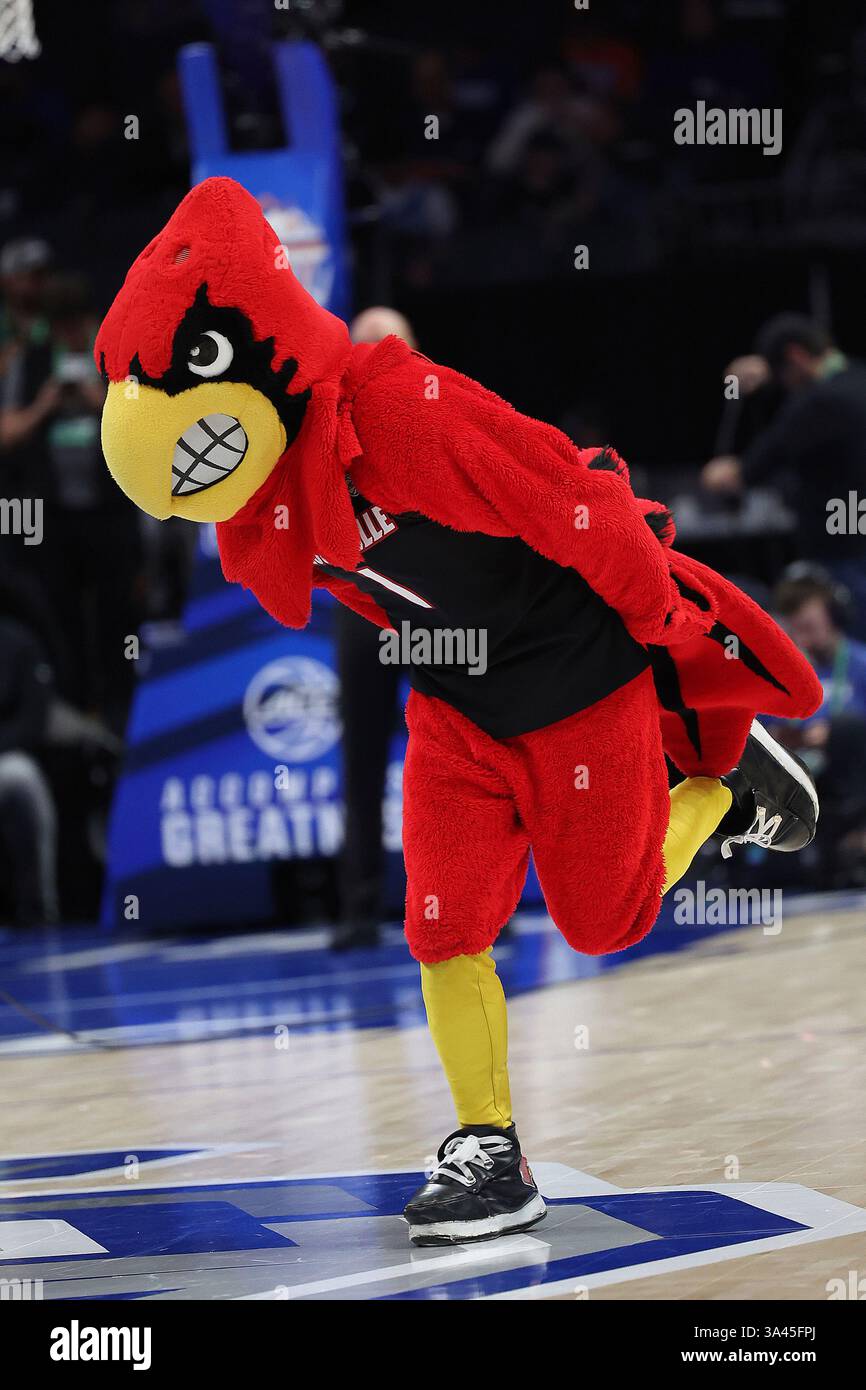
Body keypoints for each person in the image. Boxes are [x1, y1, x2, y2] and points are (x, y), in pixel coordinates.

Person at [94, 177, 822, 1247]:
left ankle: (719, 783)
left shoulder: (400, 411)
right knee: (441, 927)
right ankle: (489, 1148)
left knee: (601, 920)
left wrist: (663, 621)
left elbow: (573, 498)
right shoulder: (274, 497)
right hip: (455, 704)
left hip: (576, 675)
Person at [0, 273, 144, 732]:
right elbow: (6, 434)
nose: (69, 336)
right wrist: (45, 404)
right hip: (52, 519)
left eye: (75, 325)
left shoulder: (117, 357)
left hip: (111, 515)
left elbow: (147, 432)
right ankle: (74, 708)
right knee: (60, 616)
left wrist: (99, 400)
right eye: (59, 327)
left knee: (117, 616)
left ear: (91, 320)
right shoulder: (33, 360)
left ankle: (123, 707)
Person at [332, 308, 416, 952]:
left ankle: (479, 906)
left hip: (438, 610)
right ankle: (358, 908)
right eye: (363, 344)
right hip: (364, 611)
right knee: (361, 762)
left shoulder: (441, 411)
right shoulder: (324, 424)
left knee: (465, 755)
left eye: (388, 343)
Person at [702, 314, 866, 634]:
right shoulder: (858, 378)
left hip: (841, 553)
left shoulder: (817, 404)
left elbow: (738, 474)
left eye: (781, 375)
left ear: (796, 356)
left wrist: (737, 395)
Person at [771, 567, 866, 884]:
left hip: (851, 773)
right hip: (799, 774)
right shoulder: (784, 671)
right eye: (799, 628)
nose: (806, 635)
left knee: (848, 729)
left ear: (833, 615)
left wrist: (832, 735)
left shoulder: (860, 663)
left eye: (811, 625)